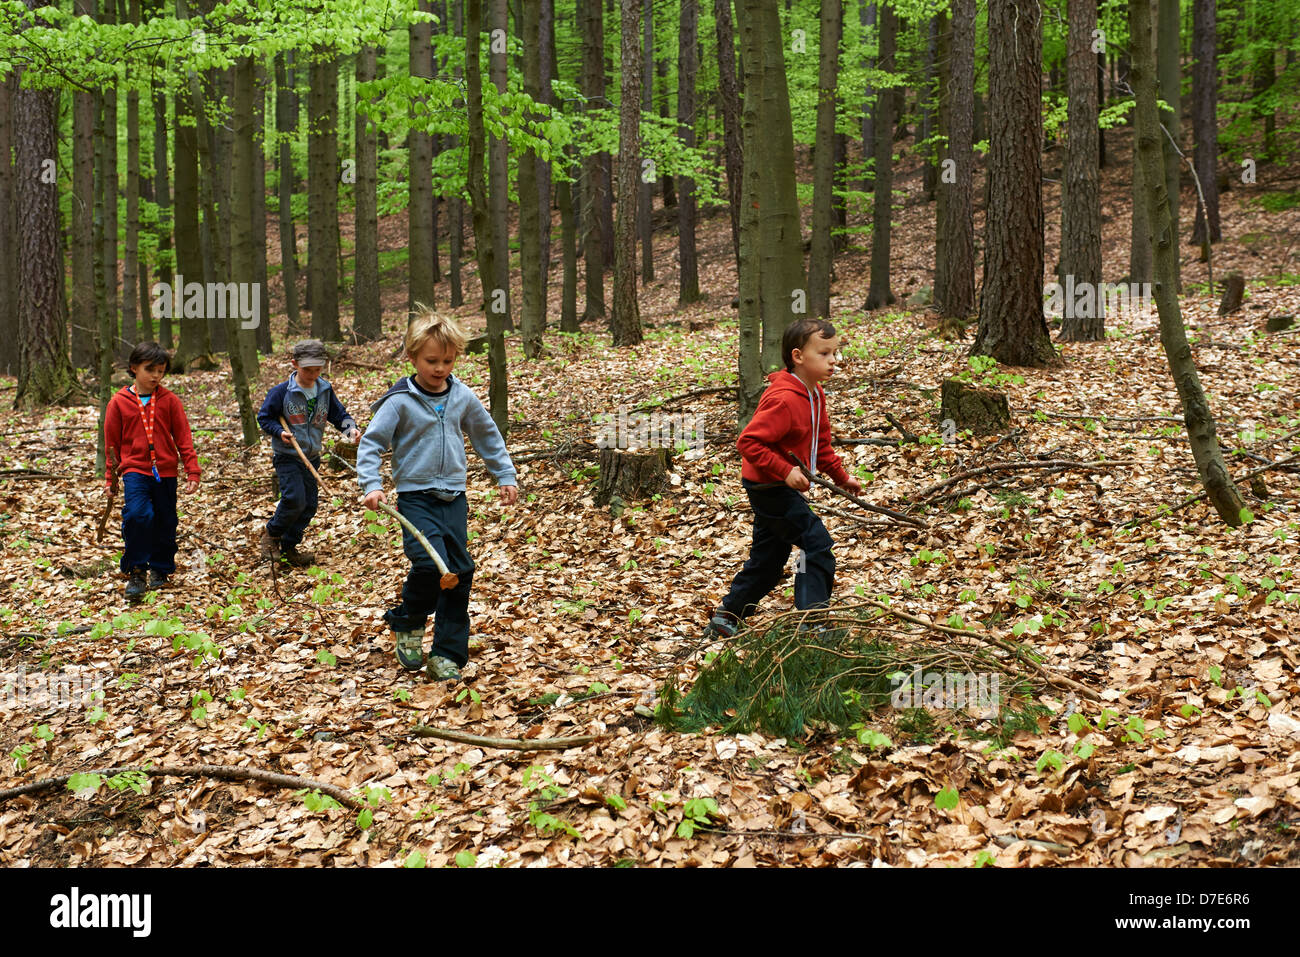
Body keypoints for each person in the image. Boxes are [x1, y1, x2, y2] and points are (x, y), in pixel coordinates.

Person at [357, 308, 518, 682]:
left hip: (454, 499)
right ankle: (409, 622)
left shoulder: (461, 396)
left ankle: (446, 654)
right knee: (431, 565)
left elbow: (487, 435)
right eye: (431, 360)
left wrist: (505, 474)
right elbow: (371, 443)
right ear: (412, 357)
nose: (440, 368)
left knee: (459, 572)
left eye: (447, 360)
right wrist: (372, 484)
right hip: (416, 498)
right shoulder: (399, 401)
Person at [705, 318, 862, 637]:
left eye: (836, 353)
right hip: (769, 487)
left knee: (769, 559)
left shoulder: (814, 394)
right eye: (825, 353)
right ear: (798, 356)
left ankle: (728, 617)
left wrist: (841, 477)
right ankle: (812, 624)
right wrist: (786, 470)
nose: (834, 360)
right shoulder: (784, 398)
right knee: (816, 542)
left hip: (778, 486)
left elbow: (822, 445)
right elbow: (748, 442)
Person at [104, 341, 201, 602]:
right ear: (134, 368)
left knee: (165, 520)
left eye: (161, 371)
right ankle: (136, 570)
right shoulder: (119, 402)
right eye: (150, 370)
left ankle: (161, 567)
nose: (156, 376)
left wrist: (192, 470)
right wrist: (110, 478)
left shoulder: (169, 401)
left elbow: (183, 437)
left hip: (165, 470)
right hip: (135, 469)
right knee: (137, 515)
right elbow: (111, 444)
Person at [257, 339, 361, 566]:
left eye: (318, 369)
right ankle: (271, 534)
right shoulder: (282, 392)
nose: (313, 374)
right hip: (287, 456)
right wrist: (278, 432)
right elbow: (264, 418)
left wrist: (350, 430)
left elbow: (337, 414)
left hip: (311, 456)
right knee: (294, 498)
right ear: (294, 364)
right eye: (308, 370)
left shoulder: (324, 389)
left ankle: (289, 546)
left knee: (310, 504)